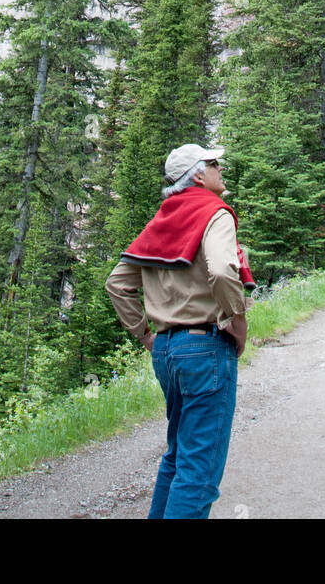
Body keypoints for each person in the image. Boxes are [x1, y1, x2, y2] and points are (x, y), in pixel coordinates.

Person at [105, 143, 247, 519]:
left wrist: (147, 336)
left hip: (166, 352)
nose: (221, 168)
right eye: (214, 163)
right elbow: (220, 270)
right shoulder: (216, 214)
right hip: (205, 348)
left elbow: (117, 284)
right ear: (198, 176)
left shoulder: (161, 221)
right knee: (199, 469)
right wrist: (238, 319)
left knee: (178, 455)